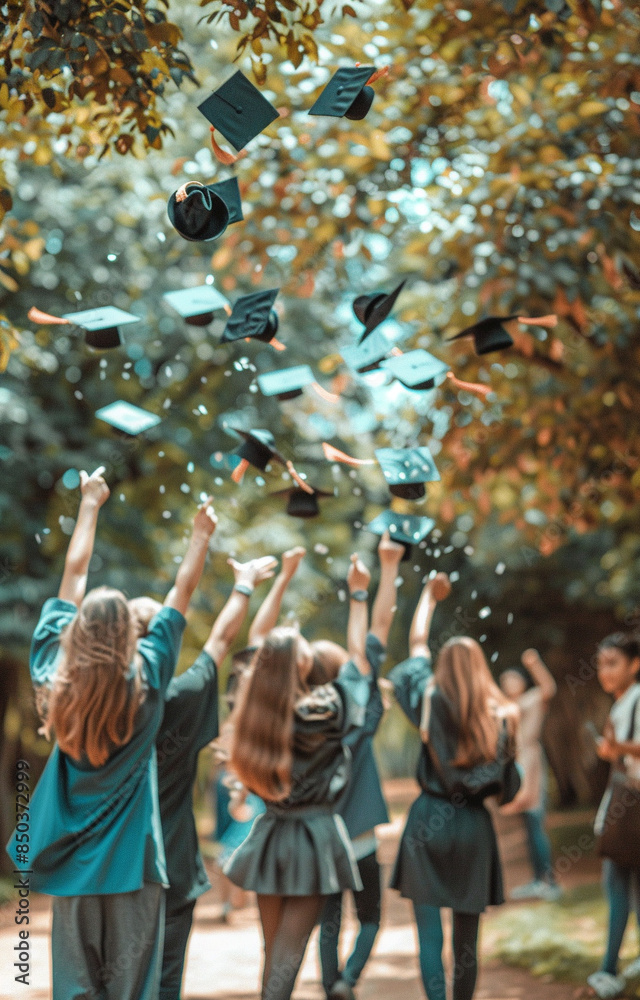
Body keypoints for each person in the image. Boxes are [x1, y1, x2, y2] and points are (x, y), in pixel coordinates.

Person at [6, 469, 217, 1000]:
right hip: (135, 870)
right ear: (130, 633)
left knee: (76, 990)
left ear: (76, 630)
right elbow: (181, 592)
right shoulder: (148, 678)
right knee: (132, 989)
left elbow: (72, 577)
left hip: (74, 875)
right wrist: (200, 536)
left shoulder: (54, 677)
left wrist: (89, 505)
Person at [224, 553, 373, 1000]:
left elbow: (258, 640)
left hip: (270, 833)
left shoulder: (252, 712)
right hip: (314, 837)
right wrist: (359, 594)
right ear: (300, 663)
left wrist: (282, 578)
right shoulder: (327, 709)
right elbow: (359, 662)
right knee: (286, 960)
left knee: (275, 956)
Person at [129, 554, 279, 1000]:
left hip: (114, 869)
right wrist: (244, 584)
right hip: (173, 863)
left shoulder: (95, 709)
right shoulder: (184, 697)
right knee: (167, 979)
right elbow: (219, 640)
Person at [389, 574, 520, 1000]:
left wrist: (427, 597)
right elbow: (509, 792)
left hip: (428, 821)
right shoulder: (499, 714)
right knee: (467, 941)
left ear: (443, 667)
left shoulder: (429, 696)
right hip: (473, 829)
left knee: (429, 937)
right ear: (482, 669)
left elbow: (416, 647)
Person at [314, 532, 405, 1000]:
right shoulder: (361, 721)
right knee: (369, 917)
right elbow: (376, 634)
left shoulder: (301, 723)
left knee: (328, 920)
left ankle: (331, 984)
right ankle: (347, 981)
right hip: (362, 836)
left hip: (321, 837)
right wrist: (372, 582)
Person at [212, 546, 306, 918]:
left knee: (233, 843)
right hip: (287, 803)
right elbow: (260, 635)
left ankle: (233, 900)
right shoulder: (311, 704)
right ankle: (237, 899)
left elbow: (257, 634)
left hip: (245, 781)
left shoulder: (246, 694)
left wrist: (282, 578)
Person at [586, 633, 640, 1000]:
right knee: (631, 888)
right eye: (601, 664)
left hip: (632, 806)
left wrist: (615, 746)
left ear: (635, 664)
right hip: (628, 803)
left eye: (613, 663)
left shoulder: (636, 699)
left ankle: (608, 969)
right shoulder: (623, 702)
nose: (605, 672)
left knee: (617, 886)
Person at [499, 648, 561, 901]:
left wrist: (534, 664)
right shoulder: (505, 707)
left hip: (532, 763)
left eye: (512, 679)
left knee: (536, 822)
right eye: (505, 681)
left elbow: (549, 688)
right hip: (517, 765)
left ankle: (550, 882)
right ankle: (537, 880)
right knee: (527, 824)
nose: (509, 684)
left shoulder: (532, 700)